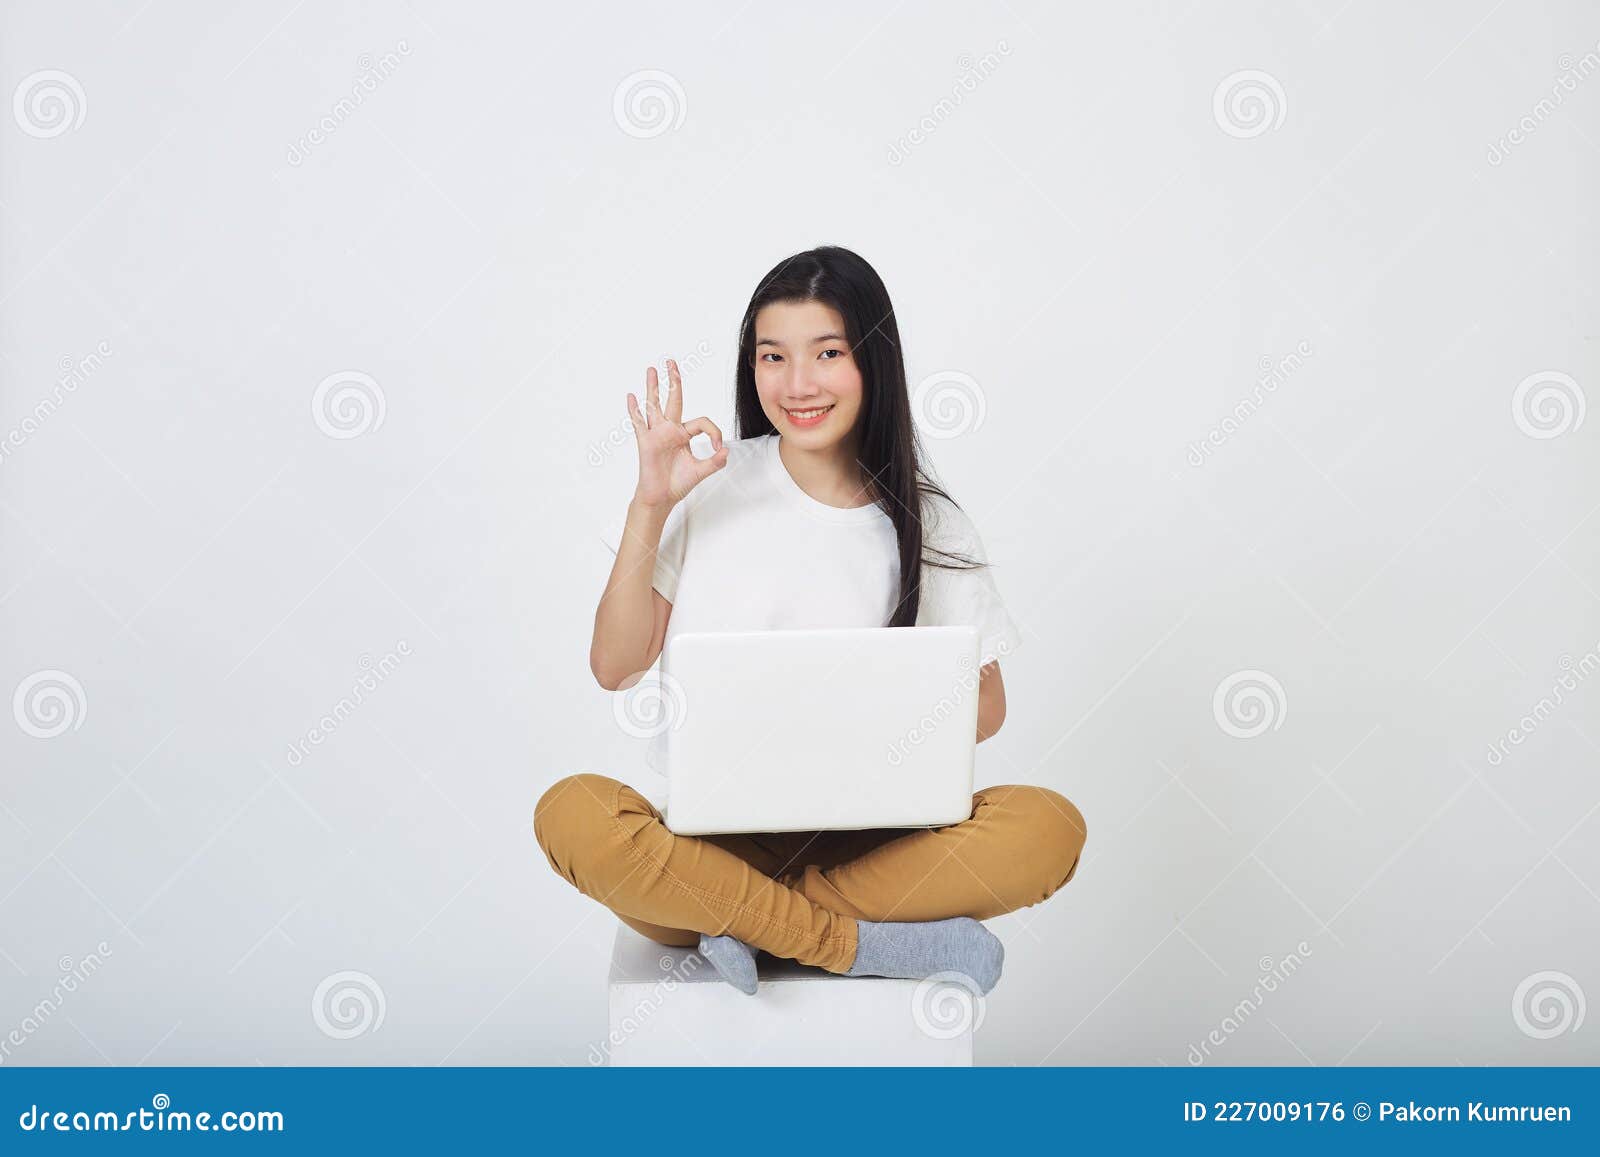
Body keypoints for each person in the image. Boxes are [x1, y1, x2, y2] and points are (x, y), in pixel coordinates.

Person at [535, 246, 1086, 996]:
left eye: (827, 352)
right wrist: (650, 503)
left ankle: (753, 927)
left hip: (877, 855)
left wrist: (891, 685)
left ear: (873, 361)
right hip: (714, 846)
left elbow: (987, 713)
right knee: (573, 812)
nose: (798, 385)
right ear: (750, 365)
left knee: (1048, 827)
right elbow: (615, 664)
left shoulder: (931, 521)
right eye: (773, 356)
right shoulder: (707, 487)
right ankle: (854, 944)